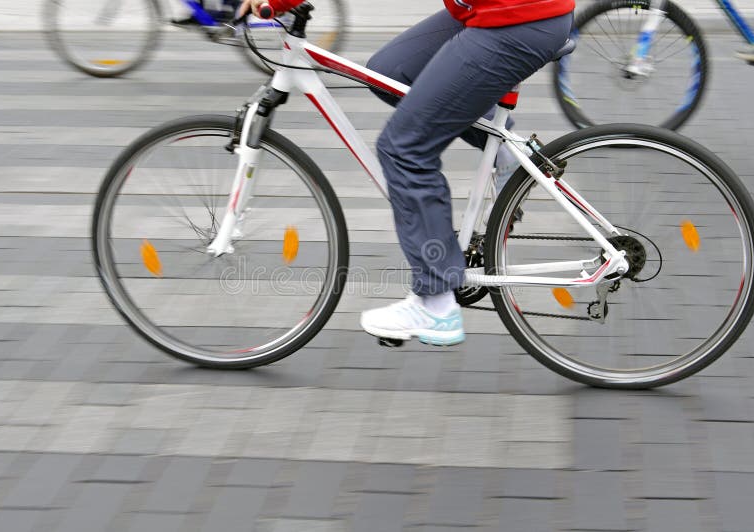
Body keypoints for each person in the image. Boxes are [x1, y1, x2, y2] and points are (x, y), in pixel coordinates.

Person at [240, 0, 575, 346]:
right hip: (494, 11)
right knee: (390, 72)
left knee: (403, 150)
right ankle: (508, 155)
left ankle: (436, 303)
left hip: (516, 20)